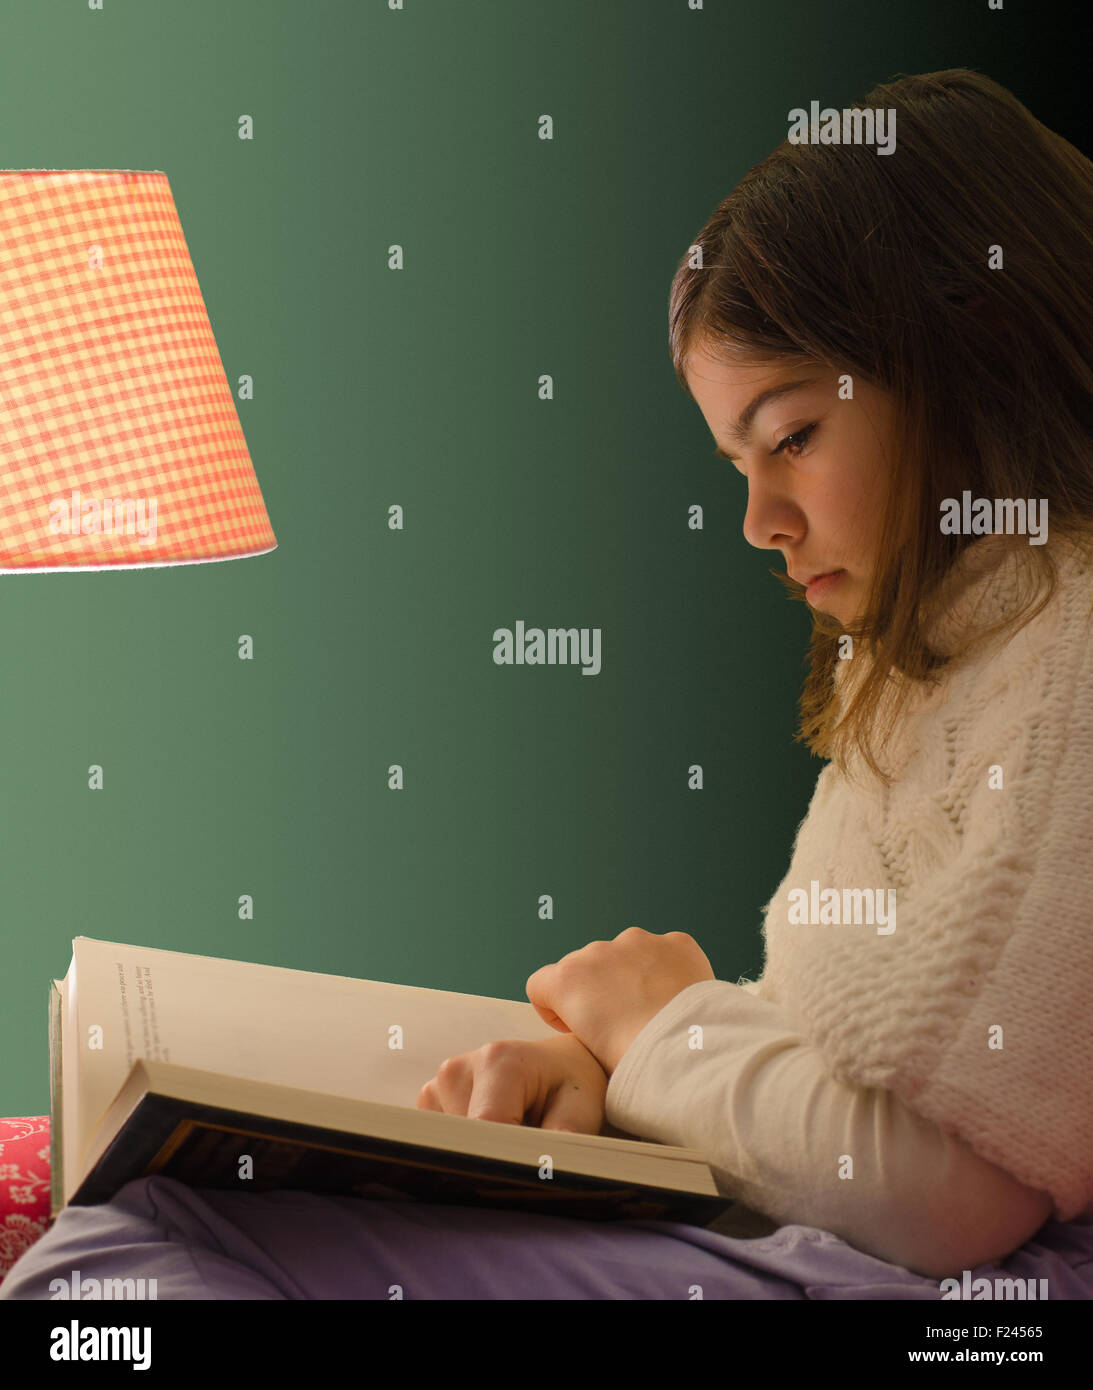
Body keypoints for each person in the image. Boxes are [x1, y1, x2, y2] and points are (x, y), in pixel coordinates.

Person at [4, 67, 1093, 1301]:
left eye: (792, 435)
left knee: (131, 1259)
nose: (759, 521)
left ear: (978, 358)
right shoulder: (933, 658)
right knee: (141, 1232)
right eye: (738, 459)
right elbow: (834, 1064)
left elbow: (952, 1200)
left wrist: (656, 1034)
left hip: (917, 1273)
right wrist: (619, 1089)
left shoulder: (1069, 678)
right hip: (814, 1228)